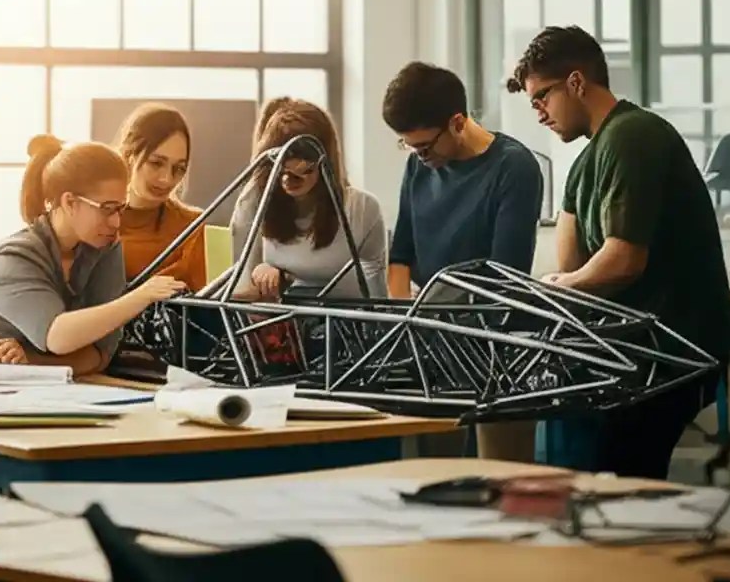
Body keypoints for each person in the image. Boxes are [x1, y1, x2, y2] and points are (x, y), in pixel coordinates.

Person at [508, 25, 730, 479]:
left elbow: (622, 261)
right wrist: (560, 283)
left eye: (542, 98)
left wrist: (555, 286)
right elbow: (573, 264)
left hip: (671, 351)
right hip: (631, 351)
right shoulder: (585, 162)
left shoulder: (635, 136)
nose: (538, 114)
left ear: (576, 82)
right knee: (582, 468)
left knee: (617, 477)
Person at [381, 61, 543, 461]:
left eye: (424, 146)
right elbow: (401, 256)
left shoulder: (513, 168)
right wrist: (403, 318)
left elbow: (505, 278)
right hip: (430, 344)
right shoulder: (418, 169)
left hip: (495, 350)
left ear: (457, 122)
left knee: (497, 481)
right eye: (409, 147)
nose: (419, 157)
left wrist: (437, 313)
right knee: (434, 476)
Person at [0, 135, 185, 374]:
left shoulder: (104, 246)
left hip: (53, 379)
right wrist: (140, 297)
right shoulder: (13, 258)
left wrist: (34, 362)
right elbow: (58, 337)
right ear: (70, 202)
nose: (116, 222)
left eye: (120, 208)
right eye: (107, 209)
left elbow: (100, 353)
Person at [231, 97, 387, 299]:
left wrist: (289, 279)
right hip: (279, 324)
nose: (288, 179)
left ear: (324, 161)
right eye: (281, 170)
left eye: (303, 171)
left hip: (343, 323)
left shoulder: (363, 209)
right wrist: (262, 279)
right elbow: (240, 289)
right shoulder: (254, 201)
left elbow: (376, 290)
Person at [115, 103, 206, 290]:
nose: (166, 179)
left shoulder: (193, 228)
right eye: (156, 163)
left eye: (179, 169)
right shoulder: (94, 222)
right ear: (129, 155)